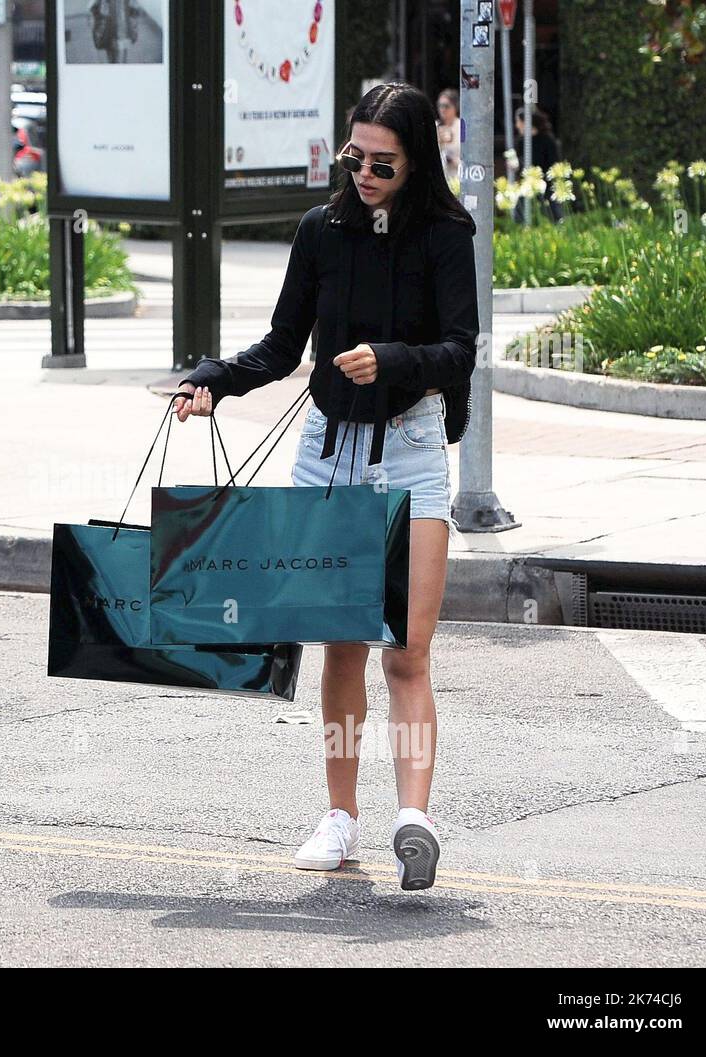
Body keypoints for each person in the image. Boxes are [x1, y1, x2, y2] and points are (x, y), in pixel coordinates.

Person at [175, 82, 479, 892]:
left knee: (407, 651)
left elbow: (459, 351)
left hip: (411, 449)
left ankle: (414, 817)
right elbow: (281, 345)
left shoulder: (448, 234)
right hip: (328, 449)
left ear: (417, 162)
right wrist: (213, 379)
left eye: (385, 162)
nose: (367, 173)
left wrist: (394, 358)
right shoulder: (321, 230)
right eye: (356, 157)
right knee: (341, 645)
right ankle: (340, 819)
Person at [513, 105, 564, 222]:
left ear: (526, 122)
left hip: (546, 184)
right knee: (519, 214)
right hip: (528, 184)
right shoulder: (521, 142)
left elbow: (554, 163)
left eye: (518, 122)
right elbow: (521, 165)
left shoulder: (548, 140)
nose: (517, 126)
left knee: (553, 214)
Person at [436, 88, 461, 184]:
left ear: (455, 107)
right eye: (440, 105)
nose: (442, 109)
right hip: (440, 182)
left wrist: (453, 160)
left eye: (446, 106)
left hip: (457, 181)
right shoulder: (435, 126)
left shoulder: (462, 128)